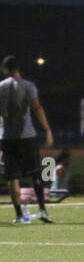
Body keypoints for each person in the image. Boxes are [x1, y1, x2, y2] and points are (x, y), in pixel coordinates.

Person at [0, 55, 55, 224]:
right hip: (27, 135)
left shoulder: (1, 87)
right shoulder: (28, 86)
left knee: (12, 176)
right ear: (18, 69)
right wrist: (47, 130)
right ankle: (43, 210)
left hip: (7, 136)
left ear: (5, 70)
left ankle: (18, 215)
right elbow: (37, 108)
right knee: (35, 172)